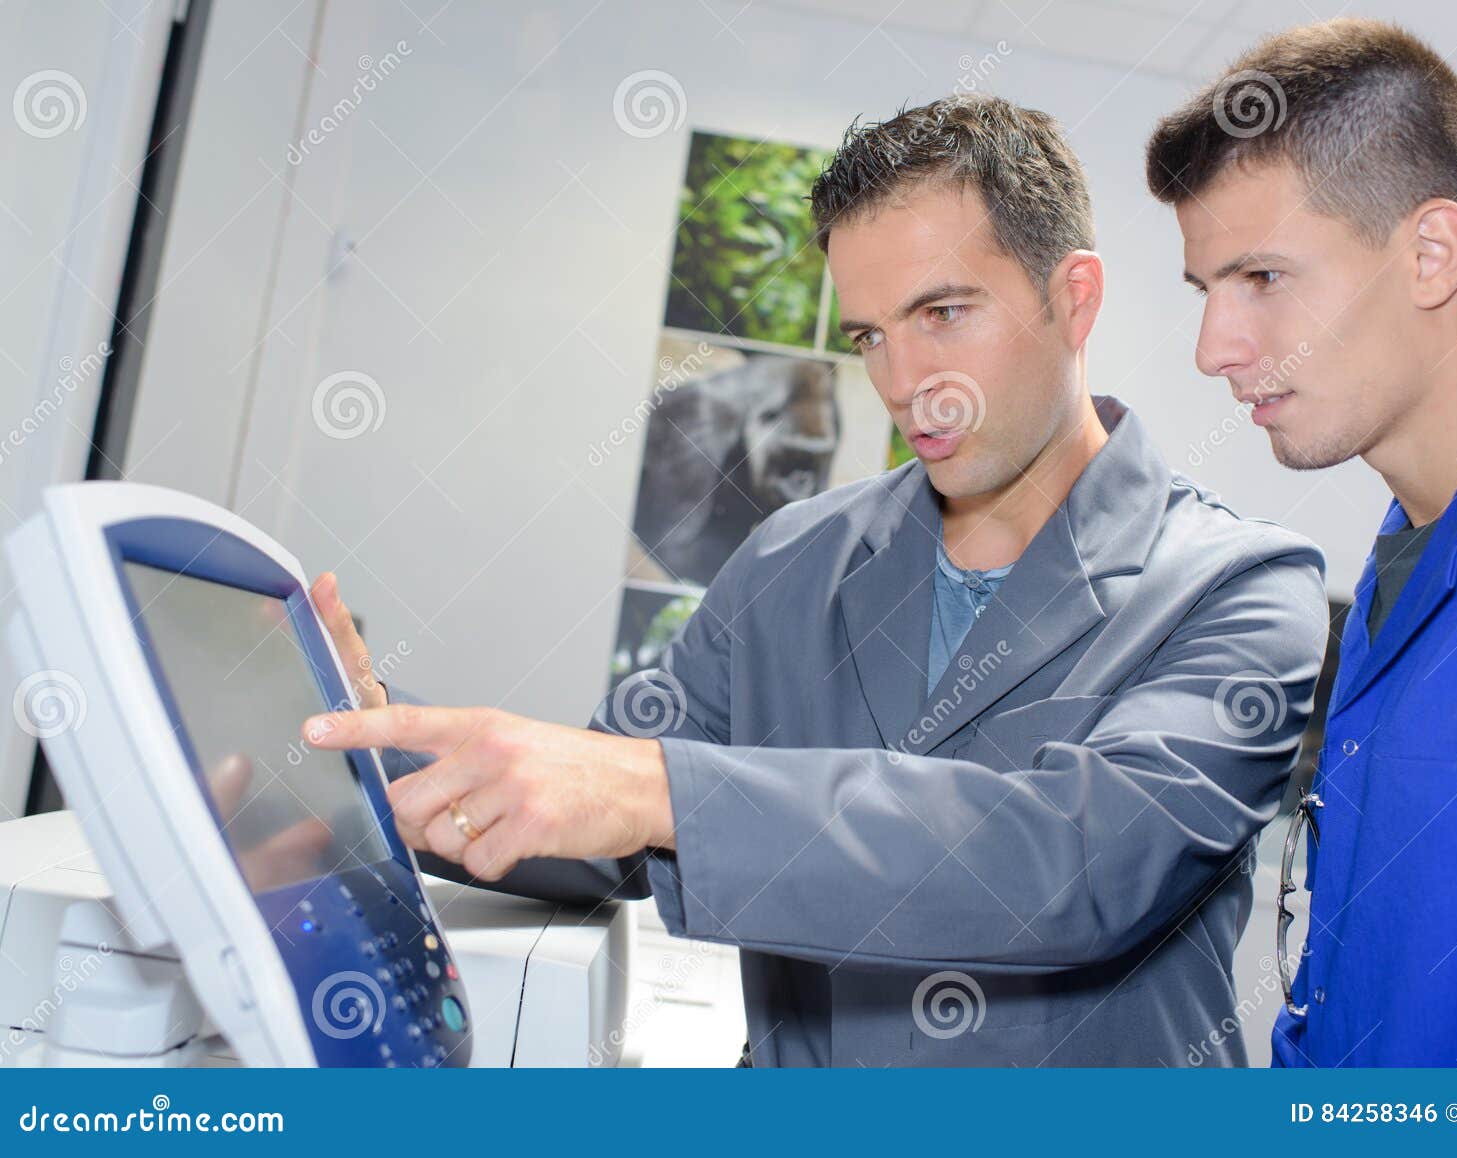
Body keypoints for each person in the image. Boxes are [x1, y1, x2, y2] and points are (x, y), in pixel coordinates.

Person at [306, 94, 1327, 1067]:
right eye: (870, 335)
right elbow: (595, 824)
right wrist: (371, 741)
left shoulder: (1240, 591)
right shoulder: (796, 558)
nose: (900, 383)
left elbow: (1074, 866)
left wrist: (660, 790)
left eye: (941, 313)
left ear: (1072, 297)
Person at [1147, 18, 1457, 1066]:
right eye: (1205, 291)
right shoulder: (1407, 558)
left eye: (1260, 280)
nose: (1218, 347)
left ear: (1431, 253)